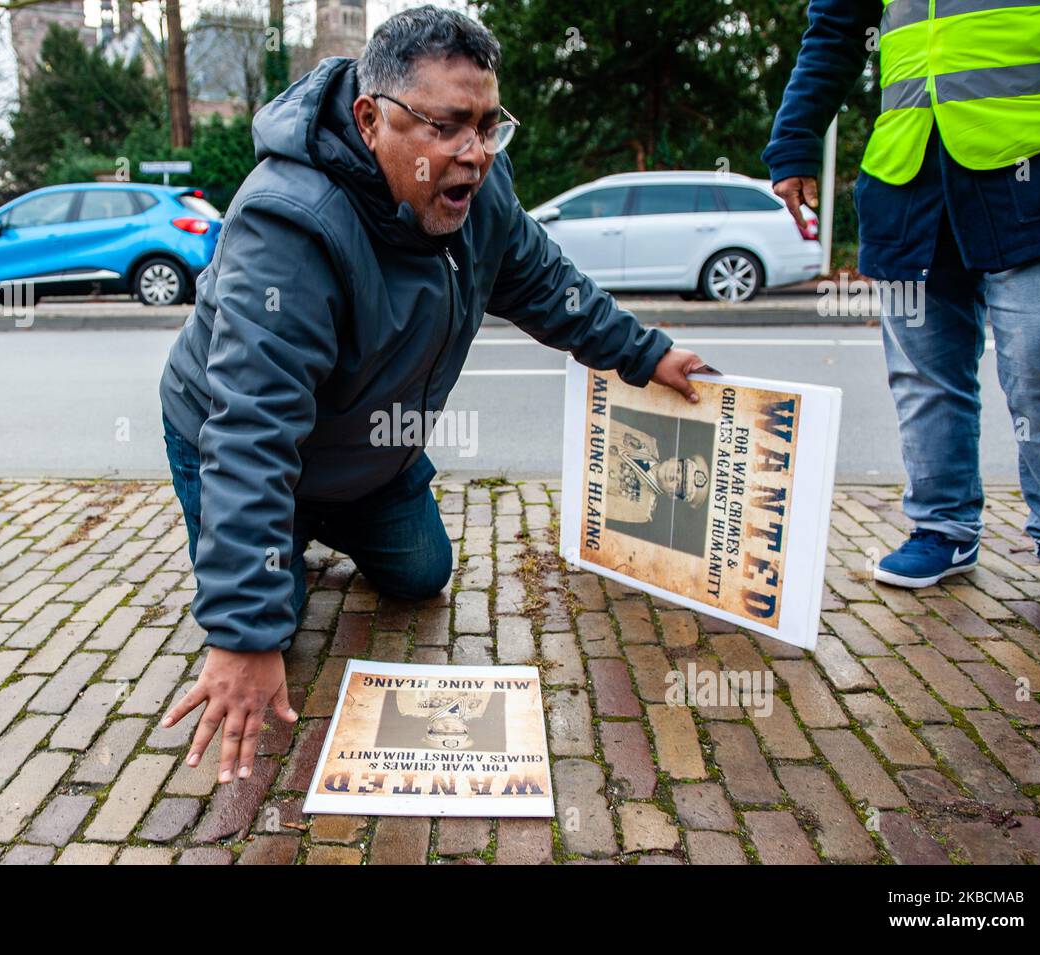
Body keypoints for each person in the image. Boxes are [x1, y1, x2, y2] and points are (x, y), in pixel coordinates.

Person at [157, 6, 709, 784]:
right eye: (450, 126)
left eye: (488, 125)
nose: (475, 153)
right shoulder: (287, 224)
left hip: (367, 451)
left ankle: (312, 523)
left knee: (423, 573)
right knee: (270, 636)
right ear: (371, 118)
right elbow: (250, 430)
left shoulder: (480, 192)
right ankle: (280, 549)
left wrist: (648, 354)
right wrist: (242, 633)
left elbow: (548, 286)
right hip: (229, 437)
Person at [763, 0, 1040, 607]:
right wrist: (795, 142)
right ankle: (944, 526)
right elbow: (834, 28)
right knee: (922, 369)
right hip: (911, 174)